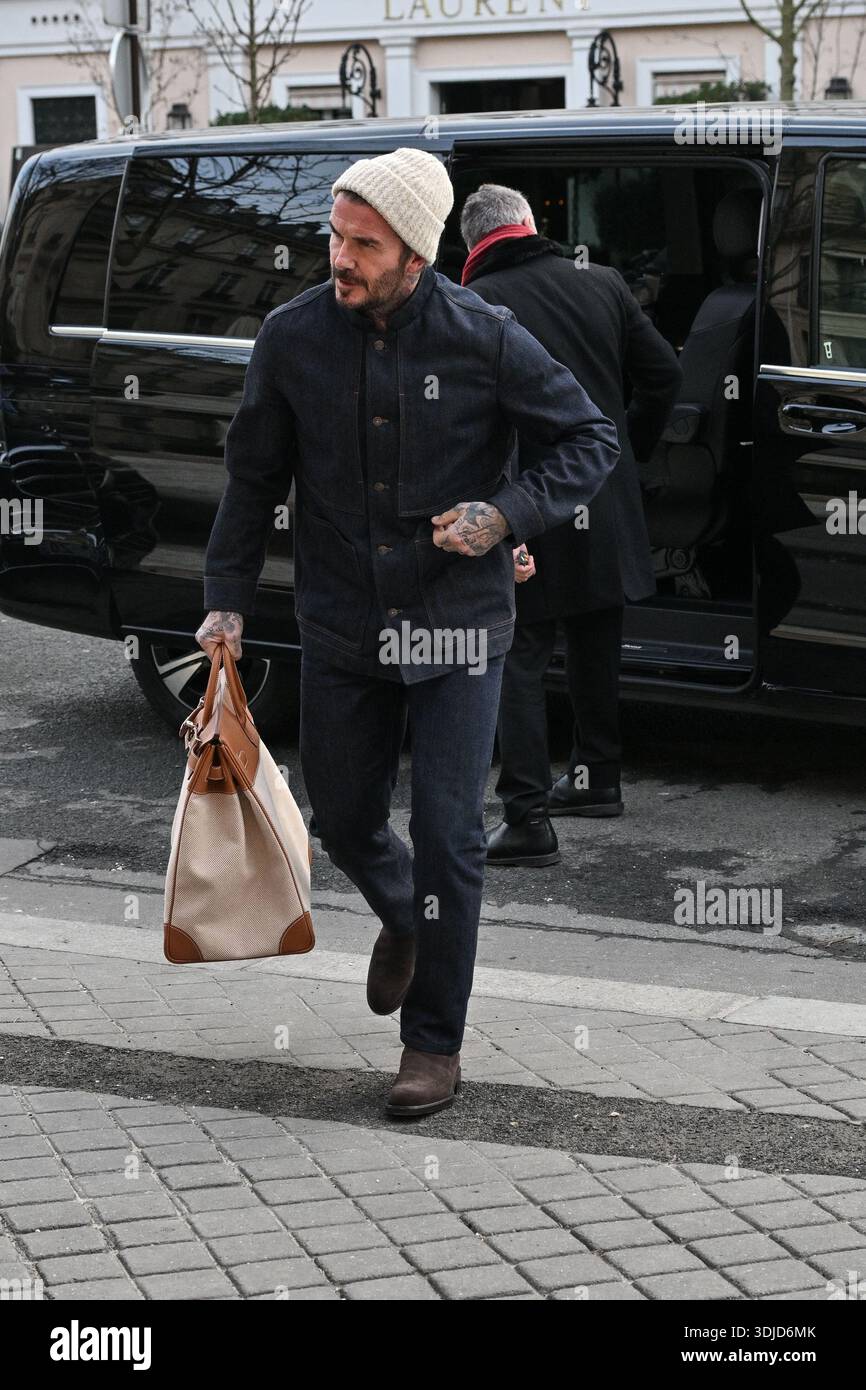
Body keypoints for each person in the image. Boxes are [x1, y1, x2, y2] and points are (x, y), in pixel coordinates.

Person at [196, 149, 620, 1116]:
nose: (339, 259)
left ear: (417, 255)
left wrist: (504, 514)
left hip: (457, 628)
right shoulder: (293, 336)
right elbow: (253, 475)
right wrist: (226, 596)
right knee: (339, 816)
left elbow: (589, 438)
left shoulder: (486, 334)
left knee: (448, 837)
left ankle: (433, 1043)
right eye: (335, 238)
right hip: (342, 622)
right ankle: (405, 917)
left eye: (363, 245)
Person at [460, 183, 682, 866]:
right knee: (595, 638)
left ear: (474, 244)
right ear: (527, 223)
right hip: (601, 490)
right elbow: (665, 374)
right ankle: (596, 779)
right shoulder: (605, 282)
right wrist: (626, 447)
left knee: (519, 653)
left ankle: (526, 818)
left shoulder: (472, 305)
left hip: (524, 502)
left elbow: (466, 423)